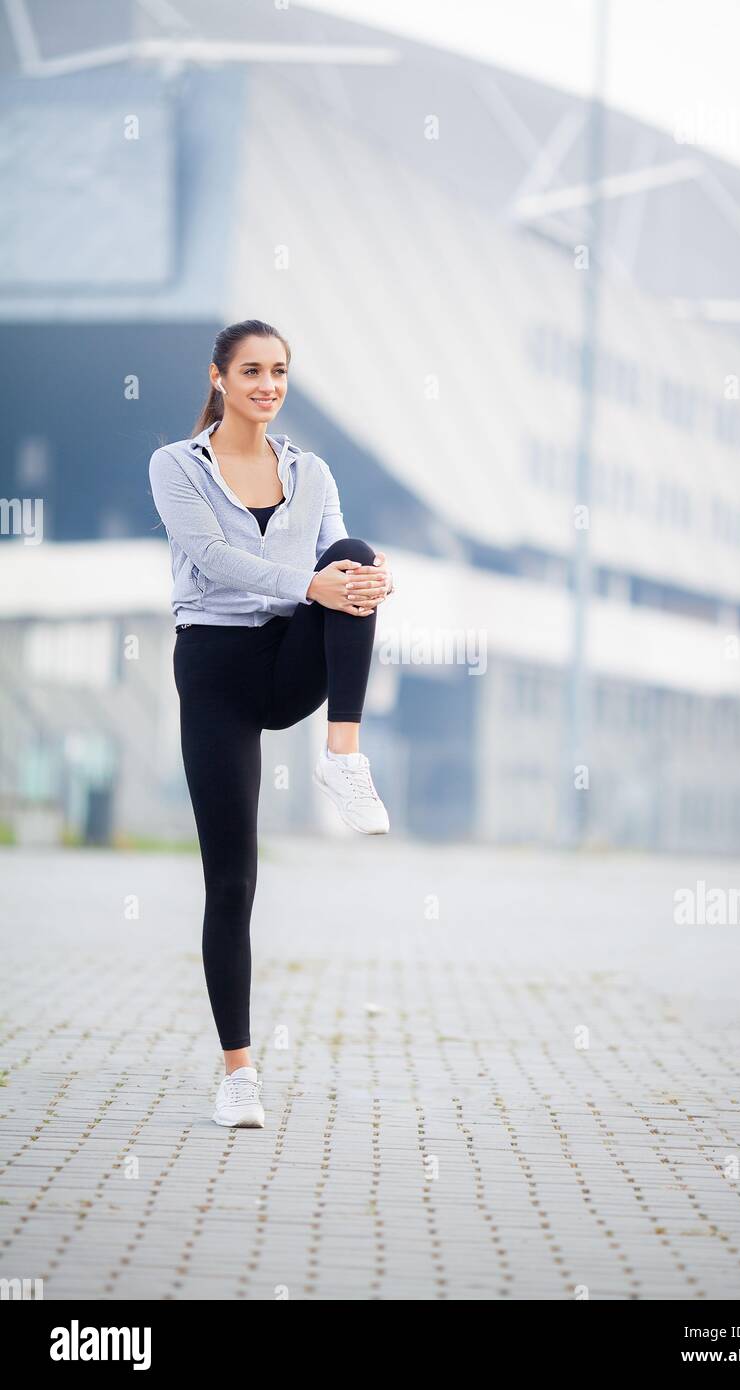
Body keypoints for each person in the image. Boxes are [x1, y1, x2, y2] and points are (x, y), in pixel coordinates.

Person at [148, 318, 395, 1128]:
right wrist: (316, 587)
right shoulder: (177, 466)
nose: (267, 385)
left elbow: (331, 559)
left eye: (280, 371)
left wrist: (363, 584)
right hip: (215, 670)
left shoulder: (311, 470)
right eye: (251, 370)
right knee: (233, 880)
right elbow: (214, 558)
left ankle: (343, 757)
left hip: (288, 661)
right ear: (219, 377)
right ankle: (238, 1074)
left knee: (356, 552)